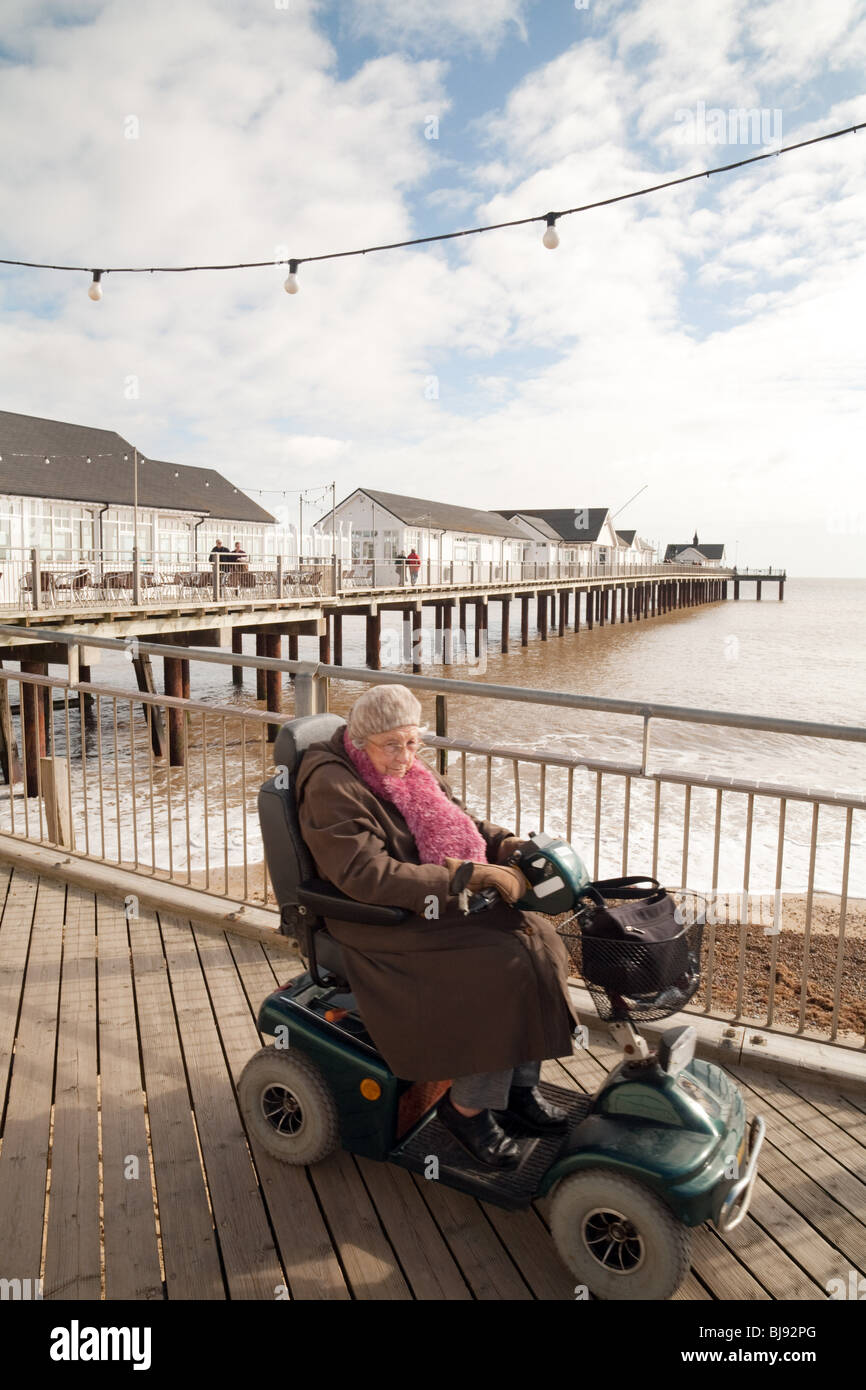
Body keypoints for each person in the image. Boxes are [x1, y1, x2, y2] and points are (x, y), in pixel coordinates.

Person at [295, 684, 579, 1170]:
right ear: (360, 741)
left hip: (425, 901)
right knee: (505, 965)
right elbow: (368, 875)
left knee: (539, 937)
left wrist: (504, 846)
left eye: (412, 742)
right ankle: (466, 1108)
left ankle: (516, 1091)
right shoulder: (332, 786)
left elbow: (459, 821)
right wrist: (464, 880)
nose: (406, 756)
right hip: (377, 918)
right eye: (392, 745)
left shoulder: (407, 771)